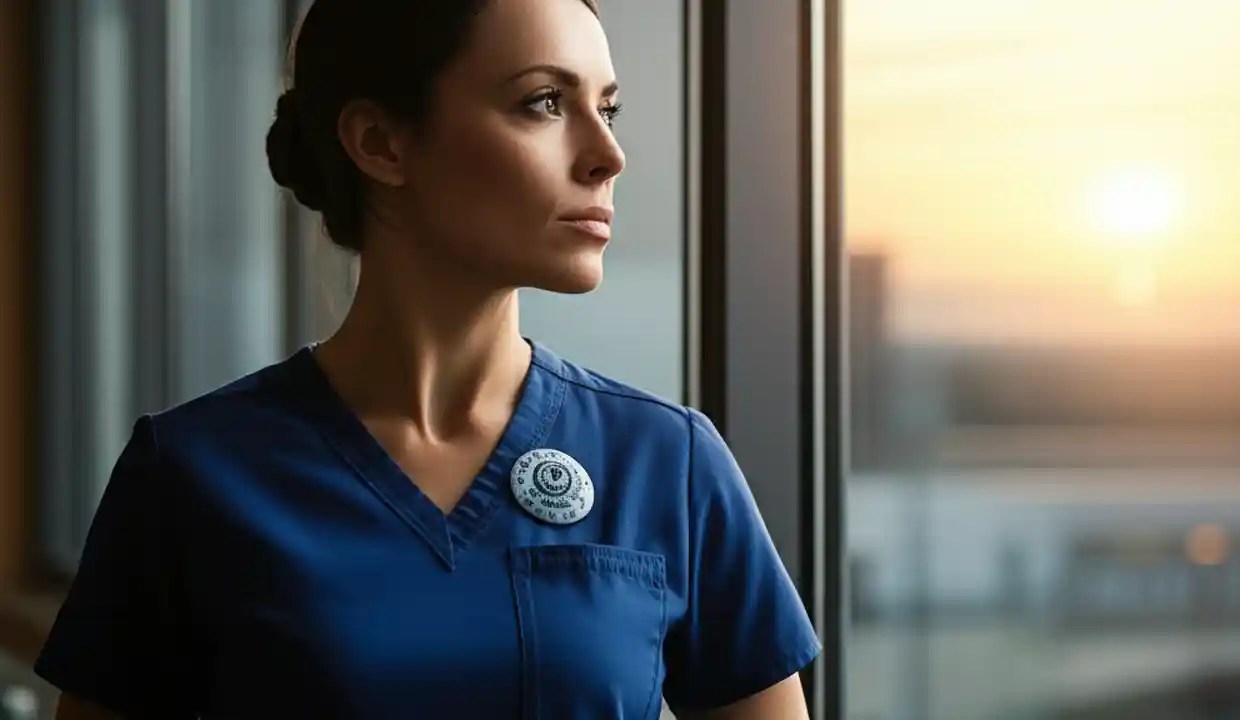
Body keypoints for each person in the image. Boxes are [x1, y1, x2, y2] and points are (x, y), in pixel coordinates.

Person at [33, 0, 821, 717]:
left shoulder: (667, 462)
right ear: (381, 143)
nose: (607, 154)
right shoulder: (192, 476)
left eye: (606, 108)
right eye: (544, 103)